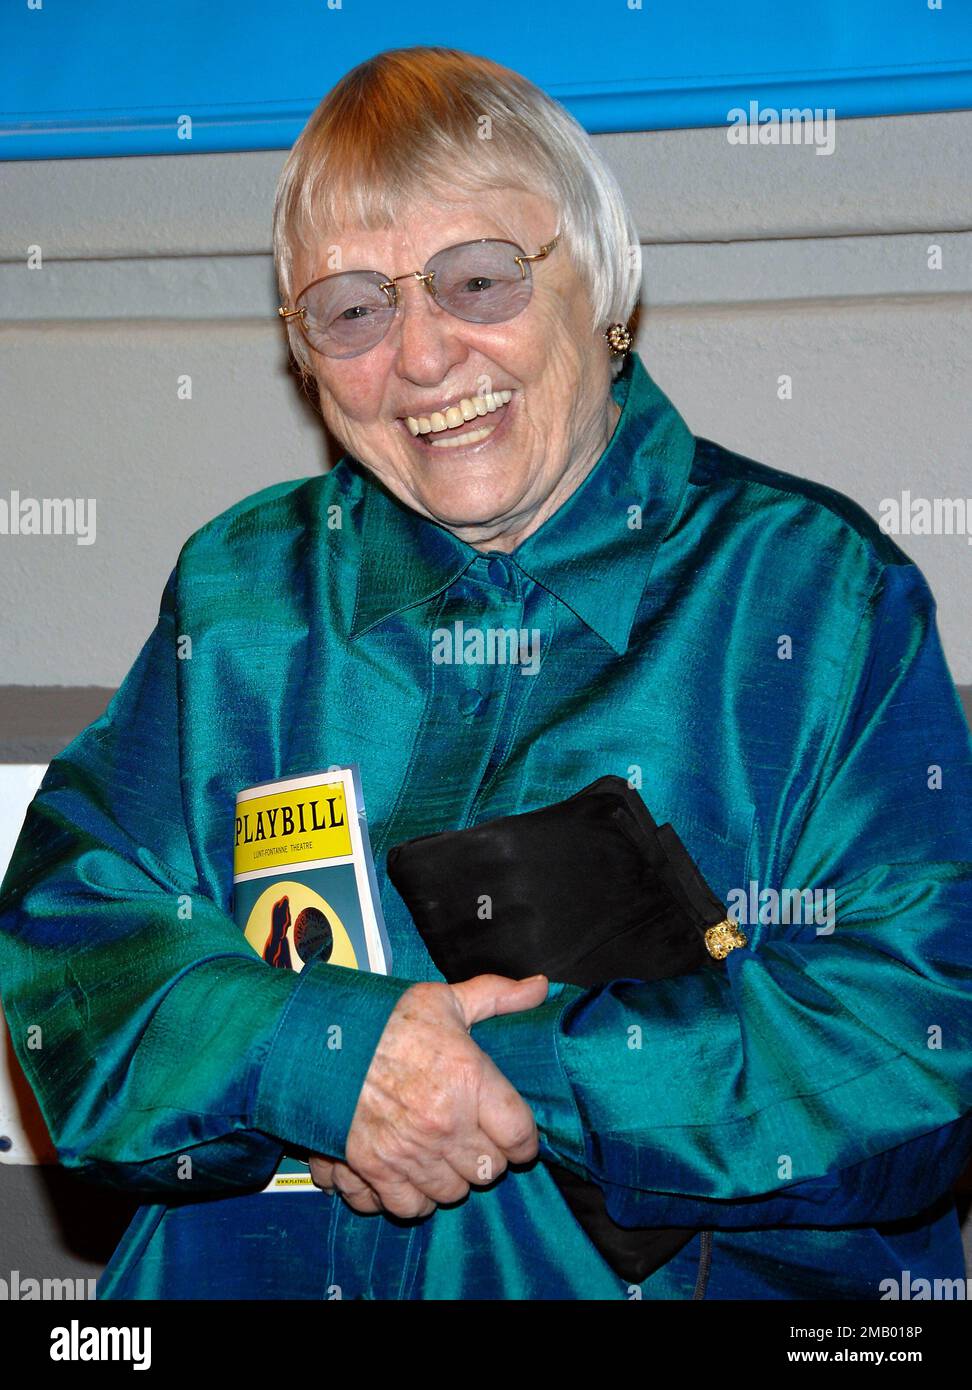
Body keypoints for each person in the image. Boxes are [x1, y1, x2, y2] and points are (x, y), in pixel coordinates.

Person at [1, 45, 971, 1302]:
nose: (420, 358)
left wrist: (506, 1078)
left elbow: (914, 1047)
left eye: (477, 281)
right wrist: (325, 1059)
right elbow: (74, 953)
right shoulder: (242, 598)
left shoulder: (813, 600)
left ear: (608, 292)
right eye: (353, 308)